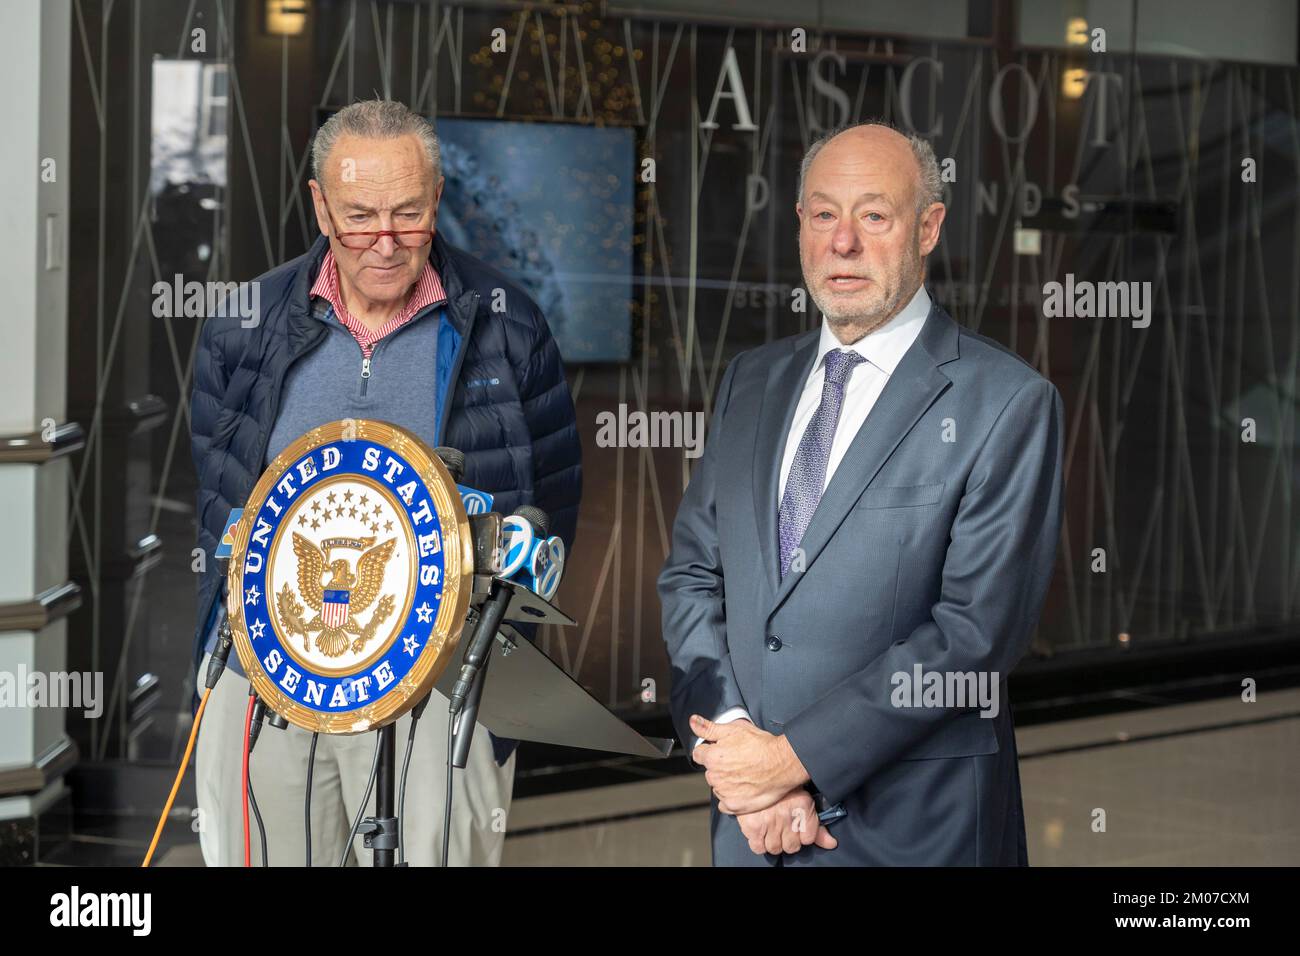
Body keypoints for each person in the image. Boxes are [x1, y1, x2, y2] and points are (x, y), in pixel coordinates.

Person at [658, 121, 1064, 866]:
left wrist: (796, 760)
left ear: (928, 228)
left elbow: (975, 637)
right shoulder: (752, 380)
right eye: (822, 214)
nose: (842, 242)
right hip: (748, 823)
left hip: (913, 832)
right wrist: (737, 750)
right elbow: (692, 577)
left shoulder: (1005, 402)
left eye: (873, 216)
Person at [189, 99, 581, 866]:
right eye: (359, 215)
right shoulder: (244, 325)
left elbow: (553, 502)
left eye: (408, 213)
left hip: (437, 678)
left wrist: (486, 663)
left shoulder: (510, 325)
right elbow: (217, 498)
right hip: (266, 674)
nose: (385, 241)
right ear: (319, 204)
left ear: (437, 199)